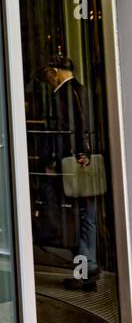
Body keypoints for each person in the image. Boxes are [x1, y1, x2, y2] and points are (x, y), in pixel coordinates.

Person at [42, 55, 99, 291]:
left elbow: (63, 132)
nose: (48, 82)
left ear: (55, 71)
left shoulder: (63, 95)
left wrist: (53, 161)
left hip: (71, 164)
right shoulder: (83, 90)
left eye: (48, 76)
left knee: (73, 219)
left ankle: (83, 271)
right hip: (87, 161)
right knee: (88, 216)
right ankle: (90, 266)